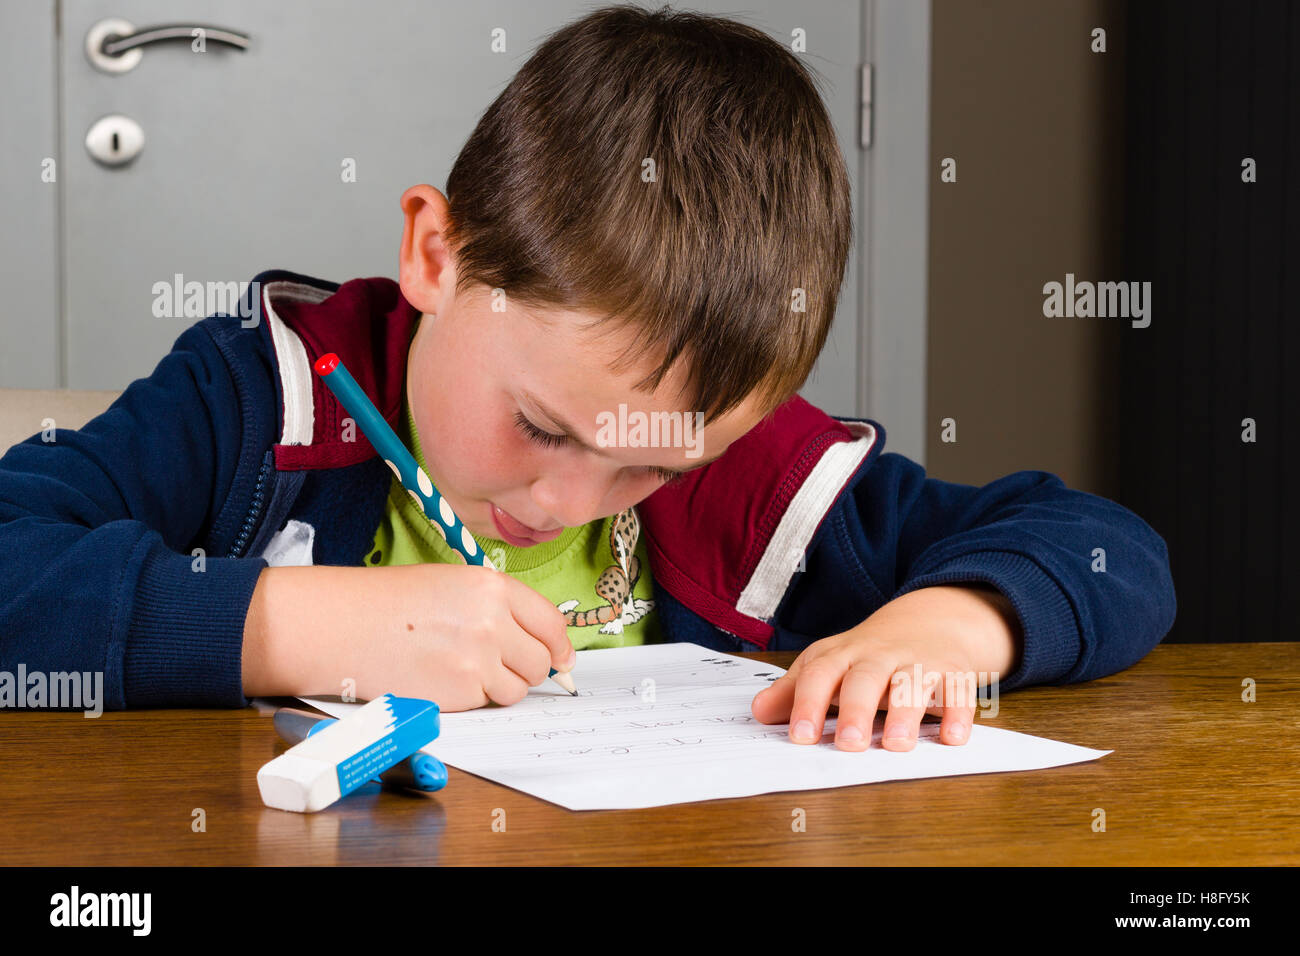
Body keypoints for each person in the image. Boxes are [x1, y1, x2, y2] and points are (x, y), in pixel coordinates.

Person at [0, 5, 1175, 753]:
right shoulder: (260, 396)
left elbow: (1106, 547)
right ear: (434, 254)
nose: (566, 501)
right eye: (541, 423)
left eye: (651, 462)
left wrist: (949, 626)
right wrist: (280, 625)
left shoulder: (753, 476)